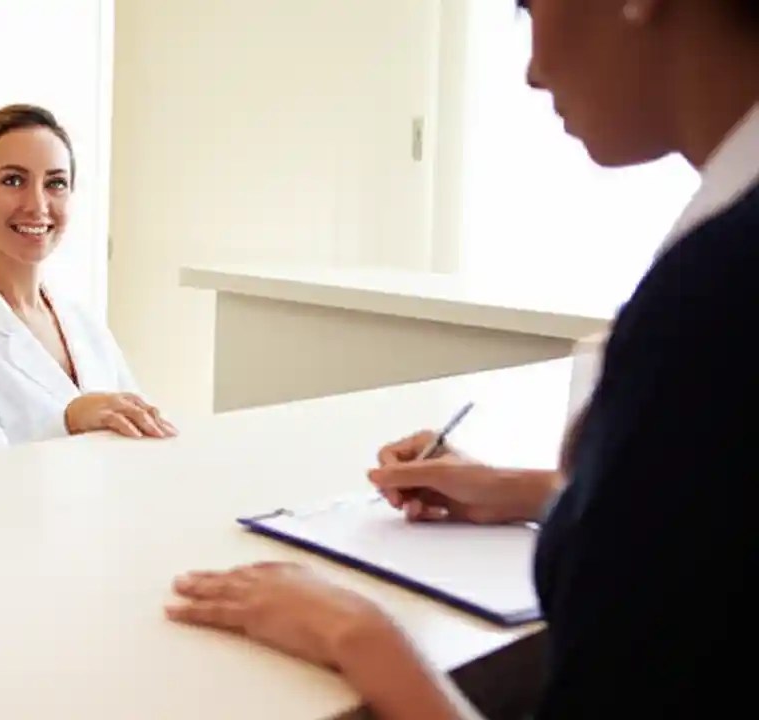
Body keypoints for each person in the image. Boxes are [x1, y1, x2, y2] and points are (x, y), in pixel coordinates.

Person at [165, 0, 759, 717]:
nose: (533, 69)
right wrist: (526, 490)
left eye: (528, 5)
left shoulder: (714, 303)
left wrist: (356, 633)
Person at [0, 104, 177, 455]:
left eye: (55, 184)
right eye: (14, 181)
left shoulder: (81, 320)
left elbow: (141, 436)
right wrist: (69, 421)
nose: (38, 204)